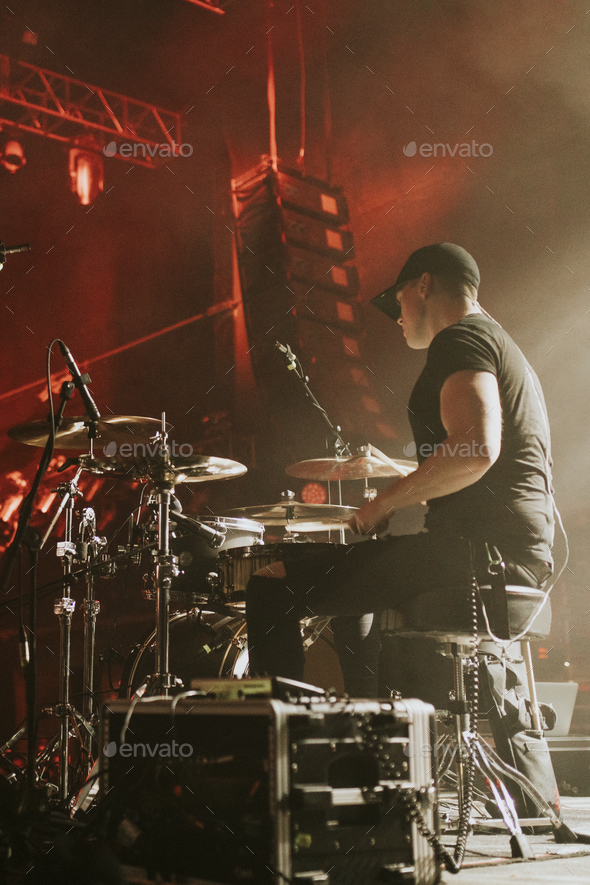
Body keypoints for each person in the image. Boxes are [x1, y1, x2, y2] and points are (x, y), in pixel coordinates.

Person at [246, 242, 560, 816]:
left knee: (272, 584)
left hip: (476, 555)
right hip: (512, 553)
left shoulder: (460, 339)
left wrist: (378, 505)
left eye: (397, 301)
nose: (394, 317)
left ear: (421, 286)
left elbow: (476, 450)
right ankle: (376, 765)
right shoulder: (500, 344)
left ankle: (279, 776)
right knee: (356, 591)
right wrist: (400, 478)